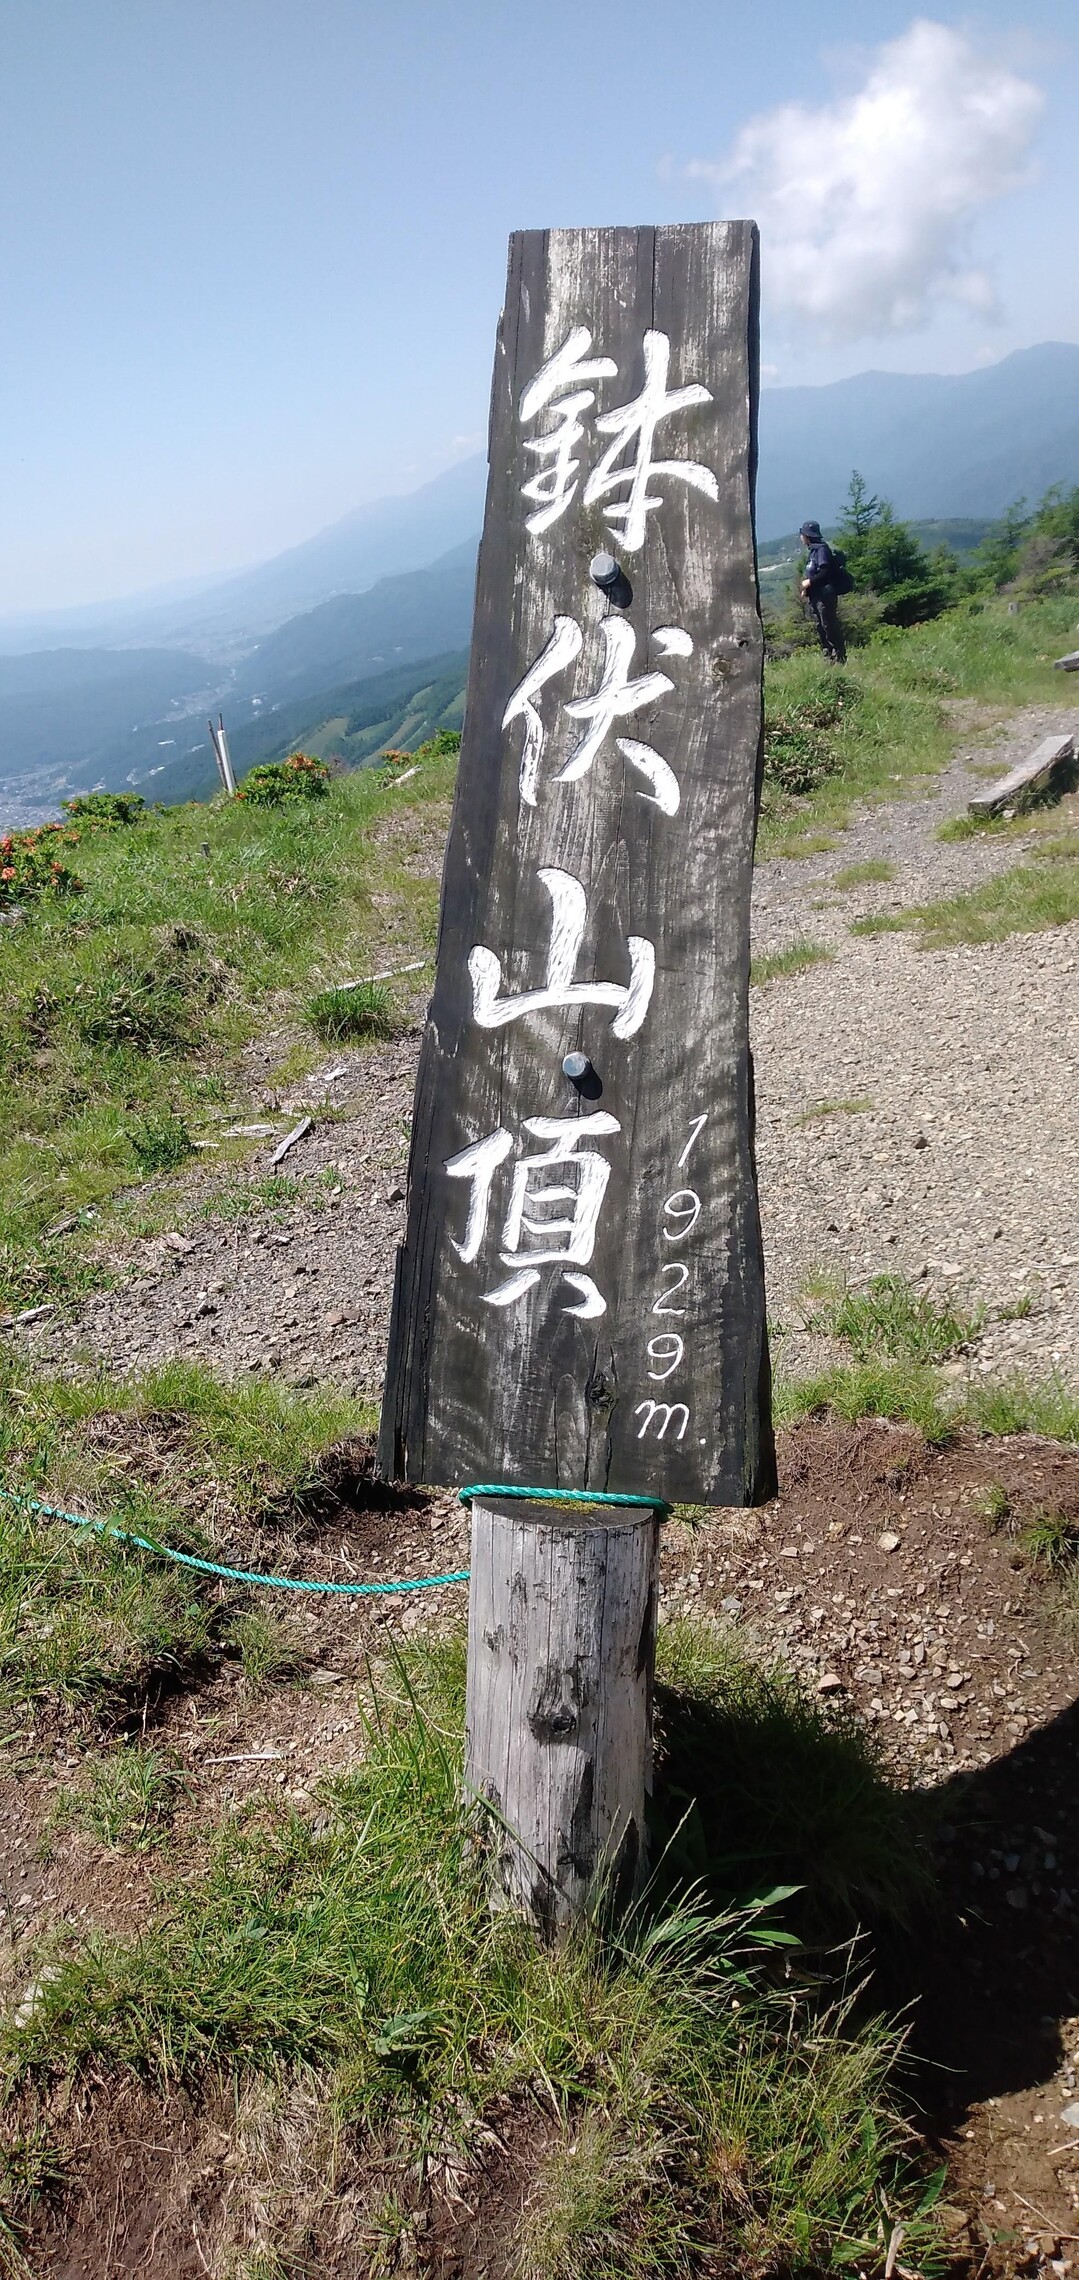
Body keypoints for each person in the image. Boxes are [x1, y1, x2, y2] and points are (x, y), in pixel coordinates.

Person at [798, 519, 847, 664]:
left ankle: (839, 657)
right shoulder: (813, 551)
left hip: (825, 595)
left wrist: (809, 582)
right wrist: (807, 589)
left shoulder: (822, 550)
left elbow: (825, 572)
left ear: (808, 536)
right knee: (820, 626)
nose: (801, 537)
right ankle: (828, 656)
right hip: (816, 595)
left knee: (828, 625)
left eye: (802, 535)